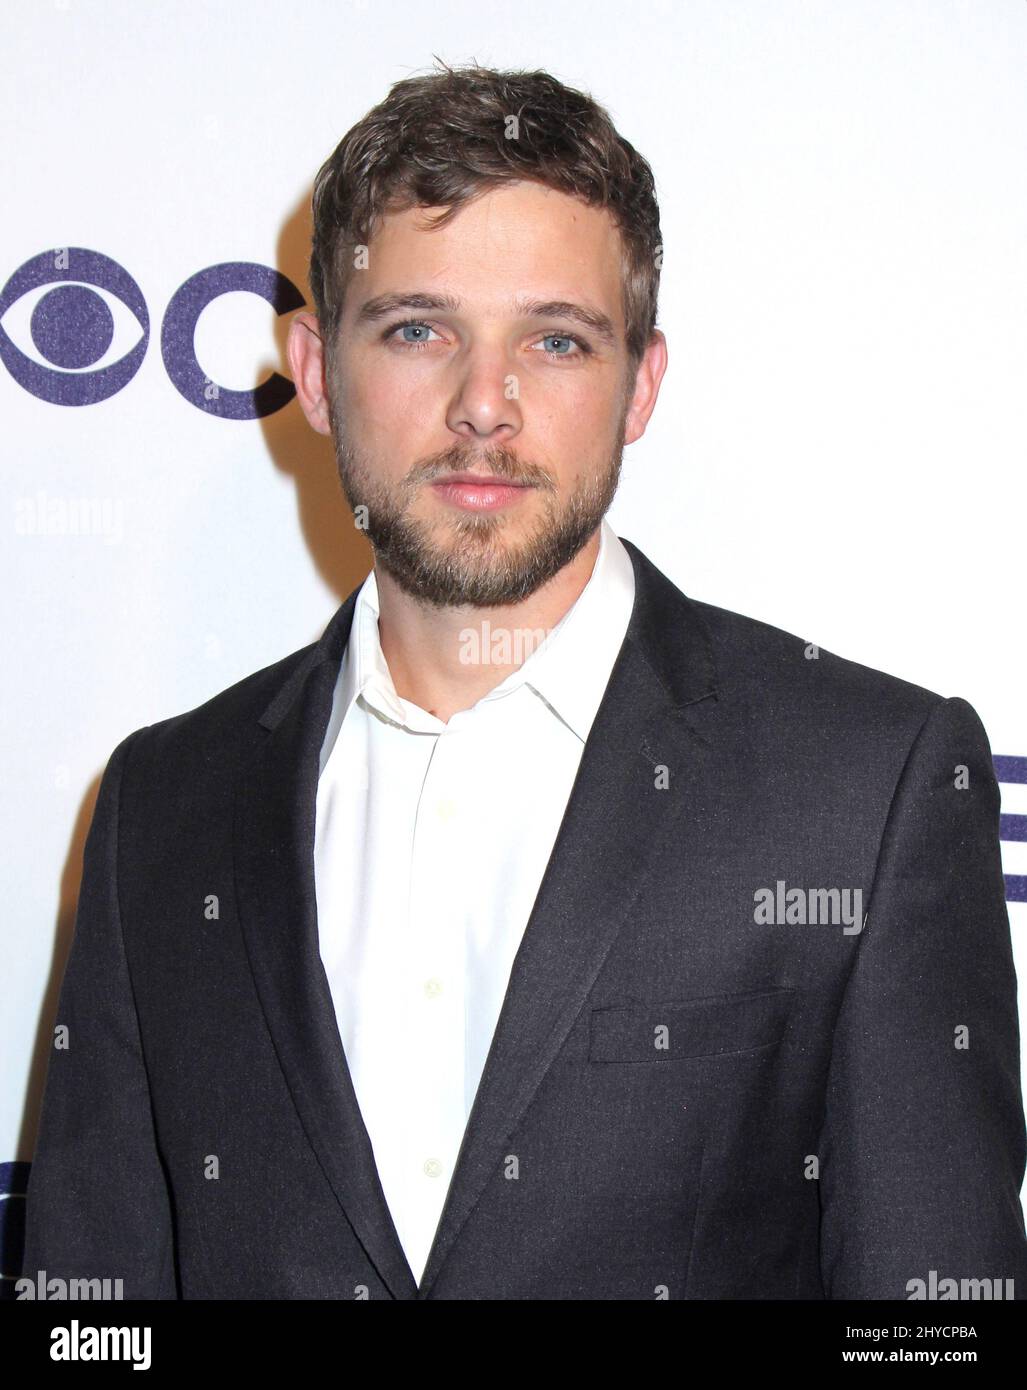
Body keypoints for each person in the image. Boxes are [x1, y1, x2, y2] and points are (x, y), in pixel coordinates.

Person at [22, 60, 1026, 1300]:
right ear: (317, 372)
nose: (482, 406)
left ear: (640, 385)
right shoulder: (162, 809)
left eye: (554, 340)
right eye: (417, 329)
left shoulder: (862, 786)